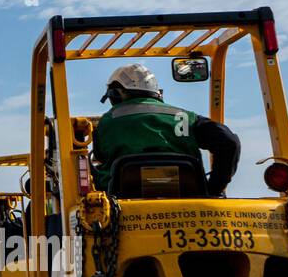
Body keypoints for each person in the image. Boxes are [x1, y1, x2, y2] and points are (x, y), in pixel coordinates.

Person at [92, 63, 240, 196]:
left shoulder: (107, 122)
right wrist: (213, 190)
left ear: (115, 95)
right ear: (157, 93)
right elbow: (229, 143)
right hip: (190, 202)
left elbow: (101, 157)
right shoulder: (186, 117)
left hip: (122, 204)